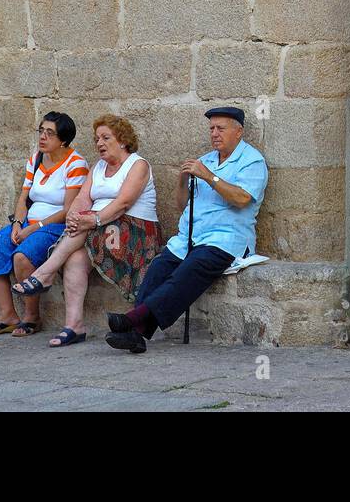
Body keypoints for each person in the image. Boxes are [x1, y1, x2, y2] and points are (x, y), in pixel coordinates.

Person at [104, 107, 267, 354]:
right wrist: (182, 180)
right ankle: (136, 334)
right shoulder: (207, 159)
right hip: (191, 236)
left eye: (220, 128)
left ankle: (133, 319)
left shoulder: (252, 161)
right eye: (211, 128)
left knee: (190, 269)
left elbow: (242, 199)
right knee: (159, 267)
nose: (214, 134)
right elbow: (182, 206)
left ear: (238, 131)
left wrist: (209, 177)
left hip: (226, 238)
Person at [12, 114, 160, 348]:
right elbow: (82, 198)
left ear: (122, 140)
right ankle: (74, 326)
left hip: (134, 229)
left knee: (85, 227)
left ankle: (44, 273)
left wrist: (92, 219)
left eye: (105, 137)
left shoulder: (138, 164)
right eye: (96, 139)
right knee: (75, 257)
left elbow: (123, 203)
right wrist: (74, 216)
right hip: (98, 228)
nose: (99, 143)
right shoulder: (99, 166)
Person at [0, 112, 88, 337]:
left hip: (54, 227)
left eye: (50, 133)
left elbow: (68, 210)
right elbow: (23, 198)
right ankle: (8, 315)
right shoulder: (35, 159)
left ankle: (32, 317)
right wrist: (17, 224)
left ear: (63, 140)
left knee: (22, 257)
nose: (43, 137)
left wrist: (35, 228)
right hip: (28, 223)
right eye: (41, 131)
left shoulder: (76, 164)